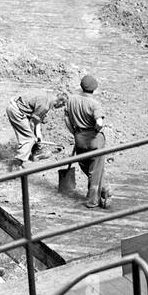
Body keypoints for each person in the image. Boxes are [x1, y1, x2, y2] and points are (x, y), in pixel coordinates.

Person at [64, 75, 110, 209]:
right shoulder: (94, 103)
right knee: (95, 171)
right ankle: (94, 200)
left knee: (85, 165)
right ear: (94, 89)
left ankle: (104, 189)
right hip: (94, 140)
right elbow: (99, 123)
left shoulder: (71, 100)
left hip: (79, 138)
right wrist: (95, 130)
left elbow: (66, 119)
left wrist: (73, 131)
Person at [5, 89, 64, 168]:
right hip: (16, 111)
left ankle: (36, 152)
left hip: (19, 107)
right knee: (29, 138)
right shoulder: (45, 106)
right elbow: (32, 123)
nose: (61, 107)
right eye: (62, 105)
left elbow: (37, 120)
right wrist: (34, 136)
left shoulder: (48, 96)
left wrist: (38, 135)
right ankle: (17, 163)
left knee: (34, 136)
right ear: (59, 102)